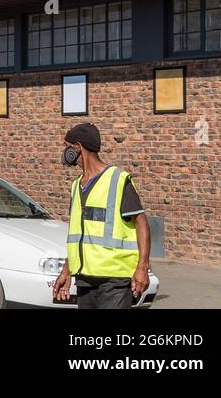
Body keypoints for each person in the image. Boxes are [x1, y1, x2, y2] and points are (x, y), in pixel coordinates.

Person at [52, 123, 151, 309]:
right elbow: (79, 235)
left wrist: (142, 268)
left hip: (114, 282)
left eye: (66, 146)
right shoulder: (76, 186)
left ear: (77, 147)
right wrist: (67, 270)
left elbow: (141, 222)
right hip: (84, 280)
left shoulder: (118, 180)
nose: (64, 151)